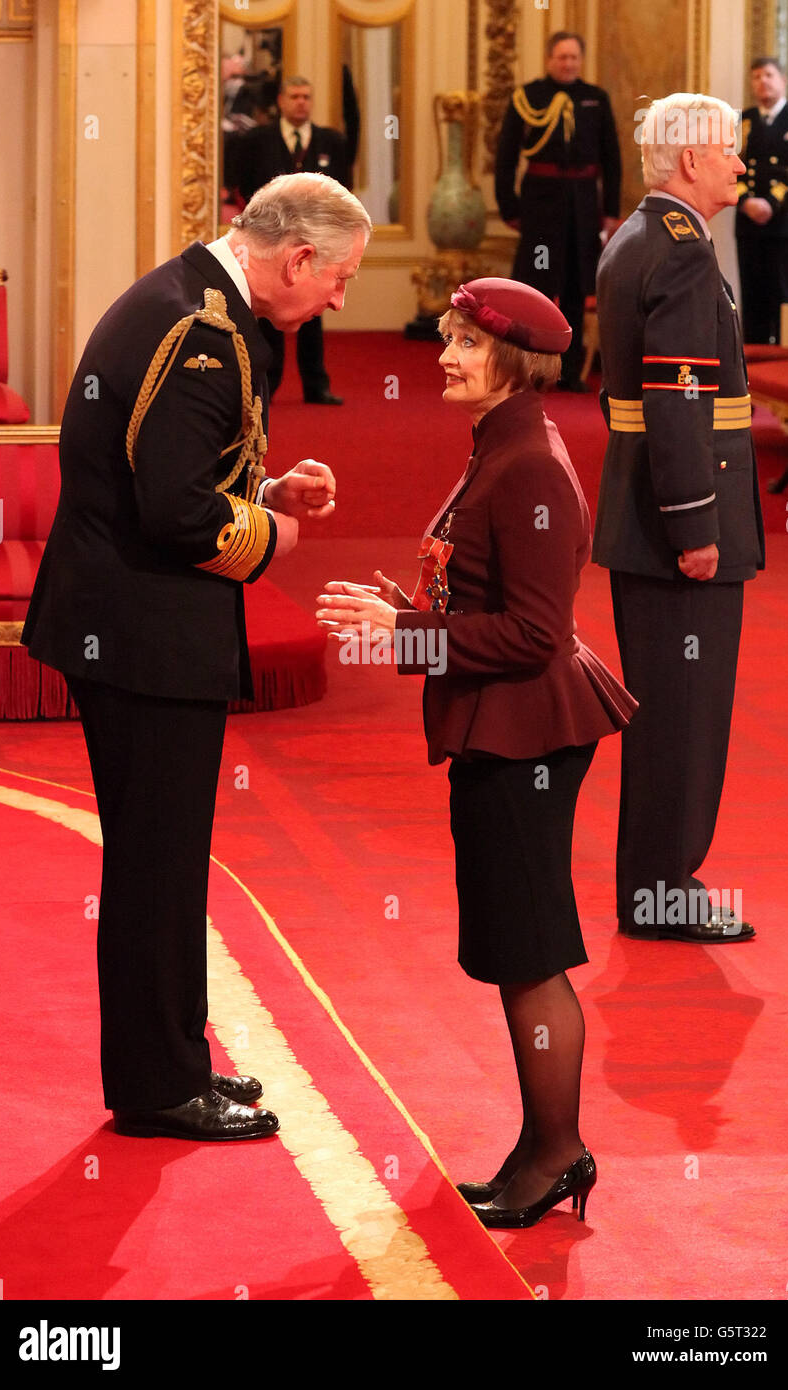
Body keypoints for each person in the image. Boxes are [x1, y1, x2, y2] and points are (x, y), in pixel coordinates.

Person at [22, 173, 372, 1140]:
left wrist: (267, 486)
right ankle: (156, 1085)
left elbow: (183, 464)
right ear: (298, 258)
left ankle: (175, 1056)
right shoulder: (204, 332)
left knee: (167, 860)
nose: (340, 299)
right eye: (340, 277)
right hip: (141, 631)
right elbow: (176, 511)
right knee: (156, 862)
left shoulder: (203, 302)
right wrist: (273, 537)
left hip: (138, 622)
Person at [316, 278, 636, 1228]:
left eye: (464, 342)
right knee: (513, 948)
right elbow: (488, 595)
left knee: (531, 954)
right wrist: (410, 614)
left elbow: (536, 633)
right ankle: (538, 1148)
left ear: (516, 361)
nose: (444, 354)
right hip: (506, 727)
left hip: (527, 736)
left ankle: (560, 1154)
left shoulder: (527, 463)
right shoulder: (502, 441)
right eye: (448, 337)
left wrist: (406, 633)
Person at [593, 93, 765, 944]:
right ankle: (662, 892)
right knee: (684, 718)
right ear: (691, 159)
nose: (740, 162)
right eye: (729, 149)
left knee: (666, 710)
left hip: (643, 509)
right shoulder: (684, 252)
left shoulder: (636, 236)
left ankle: (656, 885)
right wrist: (697, 527)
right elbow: (677, 403)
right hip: (680, 524)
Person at [494, 31, 621, 391]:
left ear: (581, 61)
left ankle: (570, 369)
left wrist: (610, 211)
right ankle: (530, 368)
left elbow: (611, 159)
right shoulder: (528, 97)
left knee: (577, 289)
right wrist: (509, 207)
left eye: (574, 57)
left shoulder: (596, 98)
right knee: (536, 286)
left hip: (583, 205)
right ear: (549, 59)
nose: (568, 63)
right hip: (540, 204)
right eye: (562, 57)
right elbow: (505, 157)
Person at [236, 76, 350, 405]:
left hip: (316, 241)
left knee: (313, 310)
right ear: (281, 101)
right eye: (295, 96)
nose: (301, 102)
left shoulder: (332, 141)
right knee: (270, 311)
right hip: (270, 240)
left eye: (306, 96)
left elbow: (342, 190)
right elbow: (244, 186)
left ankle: (316, 385)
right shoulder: (256, 140)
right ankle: (266, 384)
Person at [736, 57, 788, 344]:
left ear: (783, 80)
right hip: (748, 223)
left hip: (782, 223)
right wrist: (745, 201)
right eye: (757, 76)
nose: (763, 81)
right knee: (752, 297)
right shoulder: (742, 121)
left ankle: (781, 355)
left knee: (781, 294)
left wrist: (771, 204)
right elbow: (730, 165)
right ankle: (754, 358)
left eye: (769, 75)